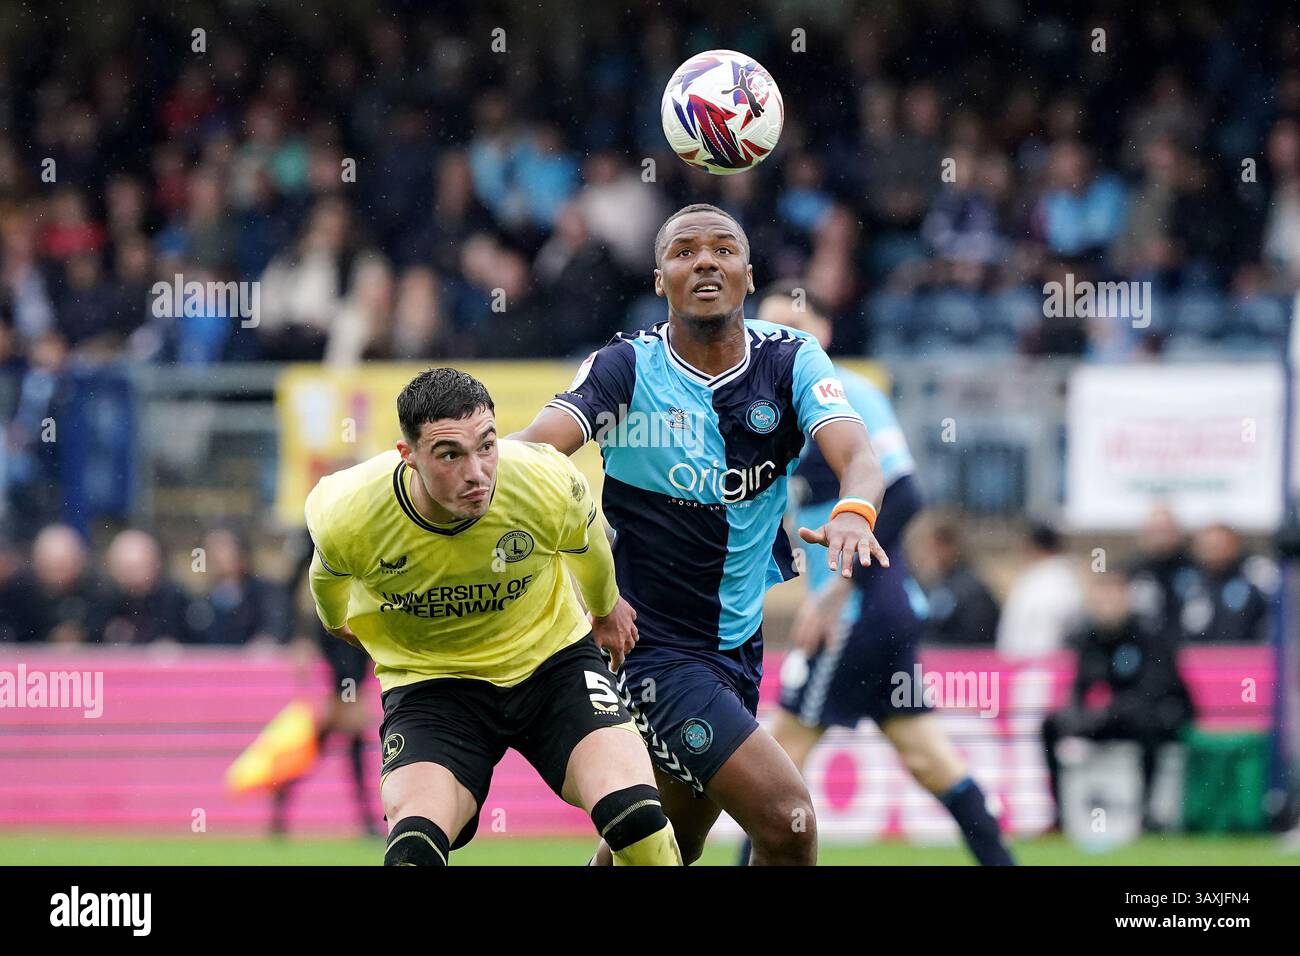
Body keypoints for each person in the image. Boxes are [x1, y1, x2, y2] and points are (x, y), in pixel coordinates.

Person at [514, 204, 890, 865]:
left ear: (748, 274)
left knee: (666, 846)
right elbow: (535, 453)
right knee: (789, 821)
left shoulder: (792, 359)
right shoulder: (624, 368)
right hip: (652, 653)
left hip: (736, 651)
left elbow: (858, 455)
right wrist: (455, 464)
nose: (706, 260)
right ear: (659, 280)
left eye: (723, 249)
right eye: (684, 251)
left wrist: (854, 512)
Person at [305, 367, 680, 866]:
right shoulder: (348, 512)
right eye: (449, 455)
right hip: (433, 689)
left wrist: (607, 608)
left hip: (553, 667)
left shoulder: (542, 480)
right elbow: (325, 581)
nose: (477, 472)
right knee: (412, 853)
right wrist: (337, 624)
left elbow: (589, 546)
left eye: (486, 445)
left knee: (637, 819)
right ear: (408, 457)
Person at [739, 284, 1014, 866]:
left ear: (825, 333)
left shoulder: (849, 393)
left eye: (794, 324)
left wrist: (838, 584)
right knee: (929, 759)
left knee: (769, 768)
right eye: (769, 330)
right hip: (885, 616)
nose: (781, 338)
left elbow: (907, 494)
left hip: (858, 615)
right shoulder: (771, 415)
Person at [1041, 571, 1194, 830]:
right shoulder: (1090, 638)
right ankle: (1059, 816)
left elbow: (1152, 692)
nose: (1106, 607)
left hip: (1159, 716)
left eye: (1112, 599)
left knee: (1148, 724)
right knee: (1050, 725)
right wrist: (1078, 716)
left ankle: (1148, 814)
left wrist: (1104, 713)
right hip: (1114, 717)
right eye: (1099, 601)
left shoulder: (1149, 636)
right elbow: (1081, 687)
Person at [995, 521, 1084, 658]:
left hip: (1040, 669)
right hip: (1028, 667)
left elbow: (1044, 638)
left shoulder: (1054, 582)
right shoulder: (1041, 578)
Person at [913, 510, 1000, 646]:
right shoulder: (936, 583)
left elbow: (977, 638)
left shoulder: (970, 588)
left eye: (934, 546)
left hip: (964, 665)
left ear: (950, 546)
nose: (930, 552)